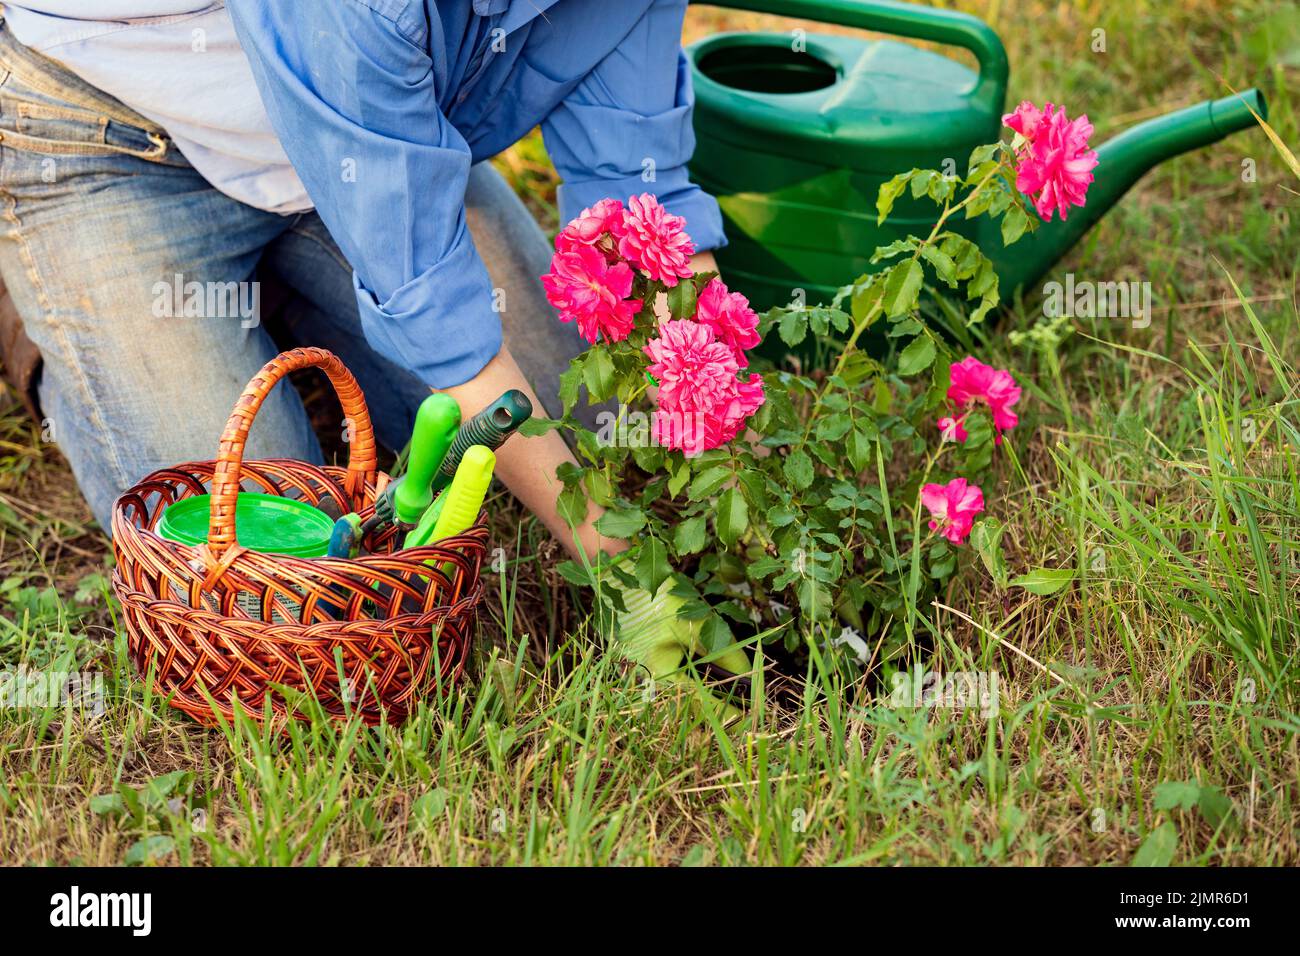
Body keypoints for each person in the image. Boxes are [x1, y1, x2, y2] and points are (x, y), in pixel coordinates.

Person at [0, 1, 748, 696]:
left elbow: (640, 194)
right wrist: (626, 578)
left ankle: (296, 299)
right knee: (276, 605)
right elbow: (444, 320)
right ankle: (57, 318)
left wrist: (737, 446)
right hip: (112, 143)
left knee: (585, 433)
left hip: (387, 148)